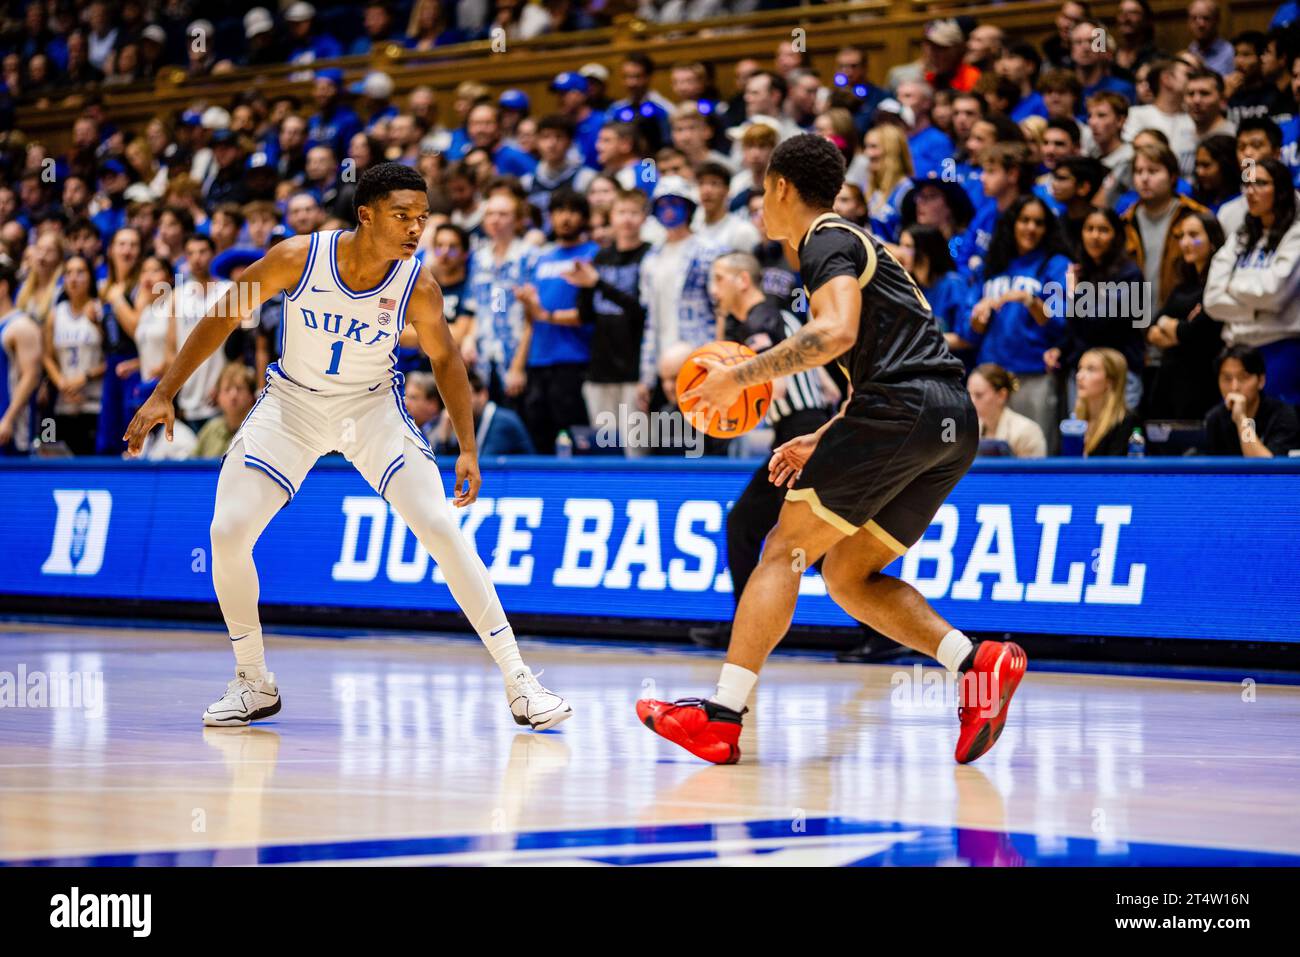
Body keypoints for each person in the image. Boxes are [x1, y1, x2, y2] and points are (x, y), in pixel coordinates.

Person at [122, 163, 570, 731]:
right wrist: (165, 392)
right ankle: (252, 680)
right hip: (292, 406)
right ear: (366, 215)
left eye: (422, 219)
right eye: (402, 216)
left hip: (371, 407)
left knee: (439, 526)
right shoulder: (297, 257)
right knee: (227, 531)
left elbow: (447, 360)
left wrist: (468, 447)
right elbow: (225, 314)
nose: (414, 229)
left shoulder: (417, 282)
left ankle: (520, 682)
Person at [636, 134, 1025, 768]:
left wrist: (741, 375)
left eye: (762, 191)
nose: (761, 206)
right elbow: (890, 356)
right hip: (947, 419)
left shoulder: (826, 238)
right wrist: (823, 434)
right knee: (845, 575)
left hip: (900, 411)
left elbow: (836, 330)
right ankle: (977, 663)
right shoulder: (867, 250)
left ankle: (722, 719)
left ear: (782, 187)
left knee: (781, 550)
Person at [690, 251, 832, 648]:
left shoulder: (760, 321)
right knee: (811, 541)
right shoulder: (779, 316)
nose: (712, 288)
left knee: (745, 525)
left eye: (719, 278)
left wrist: (727, 404)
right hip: (808, 429)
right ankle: (880, 630)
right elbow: (826, 385)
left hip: (798, 434)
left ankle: (743, 630)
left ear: (742, 280)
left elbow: (778, 386)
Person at [956, 195, 1071, 439]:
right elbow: (968, 330)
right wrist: (978, 317)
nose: (1031, 228)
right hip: (990, 376)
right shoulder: (990, 265)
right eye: (1025, 220)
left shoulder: (1056, 265)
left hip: (1034, 373)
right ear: (1012, 224)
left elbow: (1061, 325)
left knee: (1035, 454)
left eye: (1038, 223)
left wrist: (1030, 301)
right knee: (984, 453)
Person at [1203, 158, 1300, 404]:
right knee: (1235, 430)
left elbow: (1273, 293)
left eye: (1260, 183)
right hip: (1235, 351)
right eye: (1247, 184)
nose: (1251, 191)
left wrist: (1231, 286)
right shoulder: (1243, 235)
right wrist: (1257, 310)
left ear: (1281, 190)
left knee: (1275, 433)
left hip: (1279, 351)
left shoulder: (1295, 235)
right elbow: (1212, 298)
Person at [513, 188, 599, 453]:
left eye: (573, 212)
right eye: (560, 211)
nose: (566, 218)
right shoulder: (540, 259)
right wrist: (517, 365)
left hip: (574, 359)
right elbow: (531, 319)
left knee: (577, 440)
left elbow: (592, 313)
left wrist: (544, 314)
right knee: (539, 437)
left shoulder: (594, 254)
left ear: (584, 218)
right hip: (538, 359)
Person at [570, 188, 652, 452]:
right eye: (621, 213)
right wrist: (582, 285)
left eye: (633, 213)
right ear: (612, 218)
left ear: (644, 218)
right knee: (605, 449)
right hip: (599, 370)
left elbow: (642, 311)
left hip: (633, 370)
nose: (627, 219)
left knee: (635, 450)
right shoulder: (600, 257)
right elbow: (586, 314)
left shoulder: (650, 256)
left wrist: (597, 283)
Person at [1045, 207, 1146, 413]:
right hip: (1083, 372)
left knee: (1115, 441)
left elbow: (1100, 323)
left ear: (1116, 236)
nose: (1095, 236)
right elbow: (1078, 326)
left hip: (1119, 375)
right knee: (1083, 439)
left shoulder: (1130, 274)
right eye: (1089, 229)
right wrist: (1061, 349)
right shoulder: (1082, 271)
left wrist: (1074, 294)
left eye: (1103, 230)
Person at [1145, 209, 1227, 419]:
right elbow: (1152, 330)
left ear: (1212, 240)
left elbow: (1197, 332)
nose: (1185, 243)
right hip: (1169, 379)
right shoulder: (1182, 286)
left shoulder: (1218, 286)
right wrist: (1174, 326)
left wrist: (1177, 328)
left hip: (1202, 380)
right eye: (1182, 236)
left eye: (1194, 235)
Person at [43, 255, 105, 455]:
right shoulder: (56, 313)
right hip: (63, 403)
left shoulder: (100, 310)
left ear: (90, 277)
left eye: (80, 272)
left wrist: (84, 377)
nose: (73, 278)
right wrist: (61, 381)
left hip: (93, 403)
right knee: (60, 462)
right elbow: (47, 356)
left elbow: (112, 358)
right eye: (68, 273)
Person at [1203, 344, 1300, 455]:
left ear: (1261, 381)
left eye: (1243, 377)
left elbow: (1266, 468)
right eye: (1227, 379)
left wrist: (1241, 419)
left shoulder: (1283, 415)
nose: (1234, 387)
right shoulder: (1214, 419)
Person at [432, 367, 535, 457]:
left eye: (463, 395)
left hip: (523, 478)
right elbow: (443, 469)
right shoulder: (461, 422)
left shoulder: (503, 422)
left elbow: (482, 466)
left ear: (483, 395)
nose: (457, 402)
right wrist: (443, 438)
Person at [0, 258, 41, 455]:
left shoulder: (21, 326)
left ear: (2, 287)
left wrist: (7, 418)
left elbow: (31, 376)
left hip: (12, 428)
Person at [1074, 346, 1143, 456]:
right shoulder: (1075, 421)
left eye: (1090, 369)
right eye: (1079, 368)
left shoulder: (1126, 423)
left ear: (1110, 381)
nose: (1079, 376)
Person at [968, 363, 1047, 457]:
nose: (971, 401)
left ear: (1002, 395)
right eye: (969, 394)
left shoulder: (1027, 432)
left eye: (979, 395)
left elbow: (1032, 471)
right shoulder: (966, 432)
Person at [192, 362, 256, 459]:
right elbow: (191, 465)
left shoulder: (257, 432)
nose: (233, 395)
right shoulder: (210, 429)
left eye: (239, 389)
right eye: (227, 389)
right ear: (217, 397)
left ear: (251, 397)